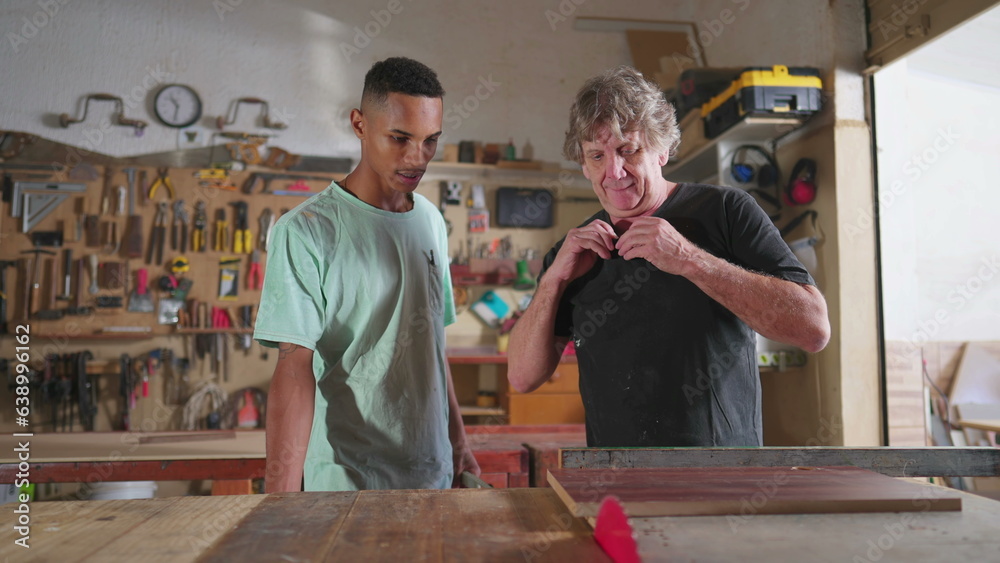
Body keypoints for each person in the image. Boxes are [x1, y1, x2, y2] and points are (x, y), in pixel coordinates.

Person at [507, 66, 831, 448]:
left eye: (628, 150)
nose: (614, 171)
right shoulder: (573, 253)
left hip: (723, 476)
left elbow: (813, 330)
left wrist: (691, 261)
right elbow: (522, 378)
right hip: (617, 478)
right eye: (597, 155)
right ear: (582, 163)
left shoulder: (727, 211)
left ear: (662, 150)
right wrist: (553, 282)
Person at [254, 57, 480, 492]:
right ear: (359, 124)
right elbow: (293, 369)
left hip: (432, 476)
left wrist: (458, 441)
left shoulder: (432, 221)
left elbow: (433, 347)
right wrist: (278, 502)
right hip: (348, 482)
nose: (418, 158)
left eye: (431, 141)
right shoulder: (304, 232)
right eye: (400, 138)